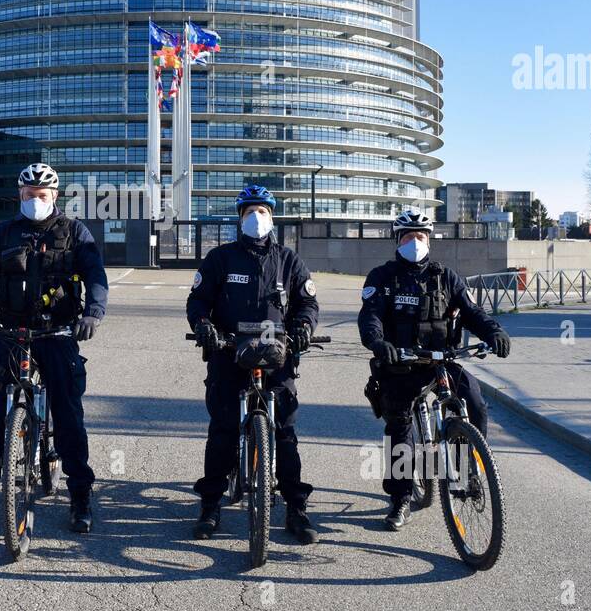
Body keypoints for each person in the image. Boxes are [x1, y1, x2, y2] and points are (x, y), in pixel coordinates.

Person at [0, 163, 108, 533]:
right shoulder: (4, 232)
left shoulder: (74, 231)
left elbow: (95, 275)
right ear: (19, 196)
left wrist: (93, 315)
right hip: (11, 332)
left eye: (42, 195)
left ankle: (80, 497)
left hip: (58, 333)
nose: (35, 200)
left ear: (55, 196)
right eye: (28, 195)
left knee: (69, 415)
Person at [357, 208, 511, 530]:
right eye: (409, 236)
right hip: (401, 364)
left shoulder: (445, 277)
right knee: (399, 428)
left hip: (441, 360)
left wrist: (493, 332)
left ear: (430, 240)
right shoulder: (382, 277)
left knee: (475, 402)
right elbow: (370, 315)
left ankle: (468, 466)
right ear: (397, 240)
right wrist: (377, 342)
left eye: (421, 236)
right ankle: (400, 499)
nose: (416, 241)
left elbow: (471, 311)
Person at [186, 184, 321, 544]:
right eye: (249, 211)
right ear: (239, 217)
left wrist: (304, 328)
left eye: (262, 211)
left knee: (285, 434)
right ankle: (210, 505)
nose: (256, 218)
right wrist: (204, 327)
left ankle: (296, 508)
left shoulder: (289, 260)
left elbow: (307, 304)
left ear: (272, 217)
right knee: (222, 431)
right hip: (228, 354)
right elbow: (198, 301)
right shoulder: (220, 258)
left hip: (277, 357)